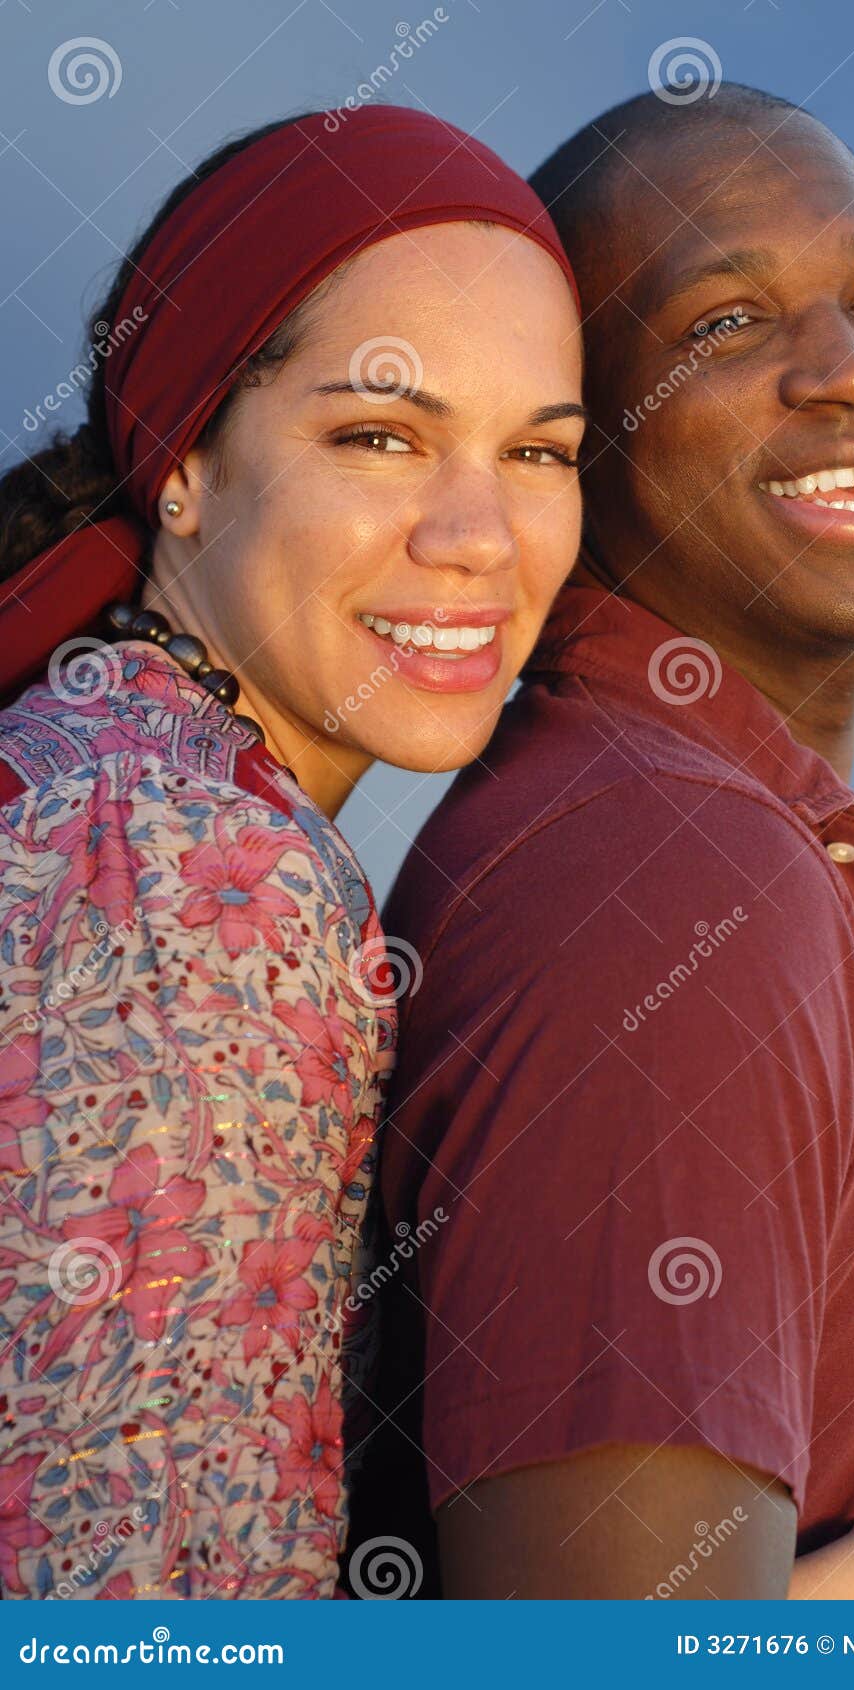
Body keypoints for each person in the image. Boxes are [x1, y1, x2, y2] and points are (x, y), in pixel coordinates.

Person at [350, 84, 854, 1600]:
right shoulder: (664, 890)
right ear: (572, 447)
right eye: (725, 325)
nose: (851, 368)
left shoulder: (708, 841)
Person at [0, 105, 584, 1600]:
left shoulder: (105, 763)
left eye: (539, 451)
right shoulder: (189, 874)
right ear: (184, 458)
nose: (480, 534)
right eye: (380, 436)